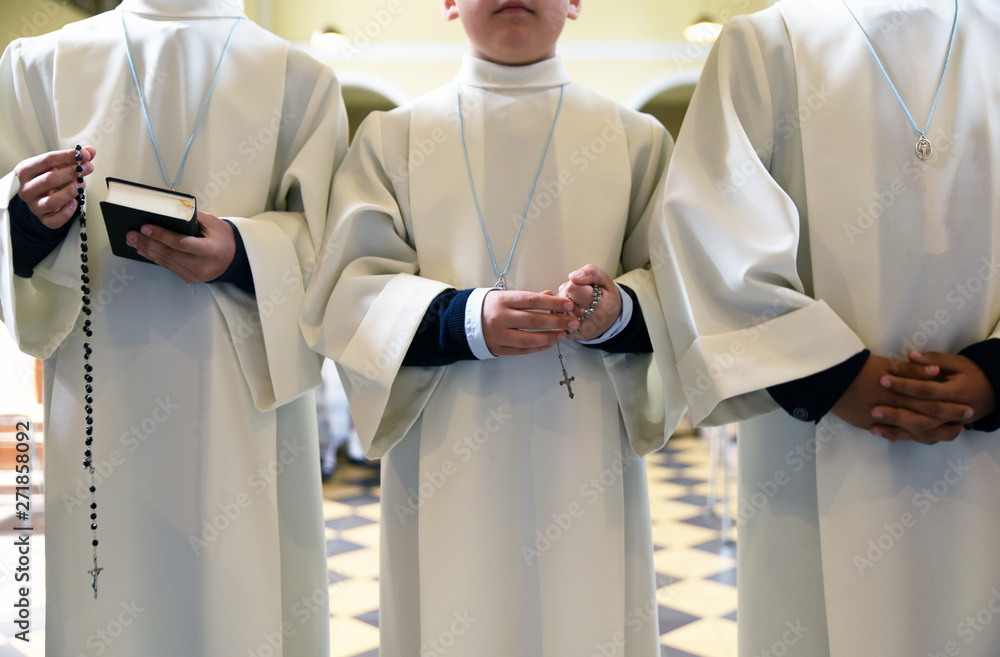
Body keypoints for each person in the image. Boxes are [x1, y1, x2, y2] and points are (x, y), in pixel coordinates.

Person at [300, 0, 685, 654]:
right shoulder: (392, 139)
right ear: (448, 3)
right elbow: (346, 293)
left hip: (584, 450)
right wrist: (463, 320)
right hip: (447, 448)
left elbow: (684, 290)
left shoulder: (635, 139)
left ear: (575, 2)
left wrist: (620, 312)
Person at [652, 0, 1000, 655]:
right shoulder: (766, 42)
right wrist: (832, 376)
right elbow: (709, 231)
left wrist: (995, 375)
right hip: (810, 445)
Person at [0, 0, 348, 654]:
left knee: (237, 608)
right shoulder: (38, 66)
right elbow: (6, 229)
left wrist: (242, 250)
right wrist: (25, 220)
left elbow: (341, 257)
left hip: (242, 420)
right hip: (102, 407)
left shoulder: (299, 79)